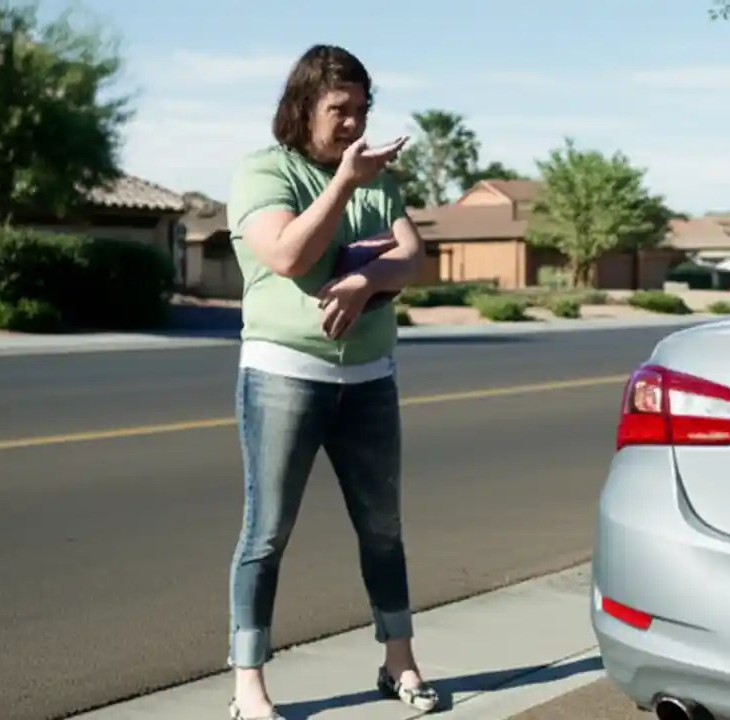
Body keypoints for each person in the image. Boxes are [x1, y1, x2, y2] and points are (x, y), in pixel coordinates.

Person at [223, 44, 438, 719]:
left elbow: (417, 261)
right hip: (285, 375)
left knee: (383, 526)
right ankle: (248, 684)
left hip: (371, 378)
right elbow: (287, 254)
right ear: (302, 107)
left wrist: (370, 276)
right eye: (339, 109)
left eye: (361, 110)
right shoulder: (265, 172)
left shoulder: (380, 182)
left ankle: (399, 660)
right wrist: (343, 184)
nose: (352, 123)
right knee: (267, 532)